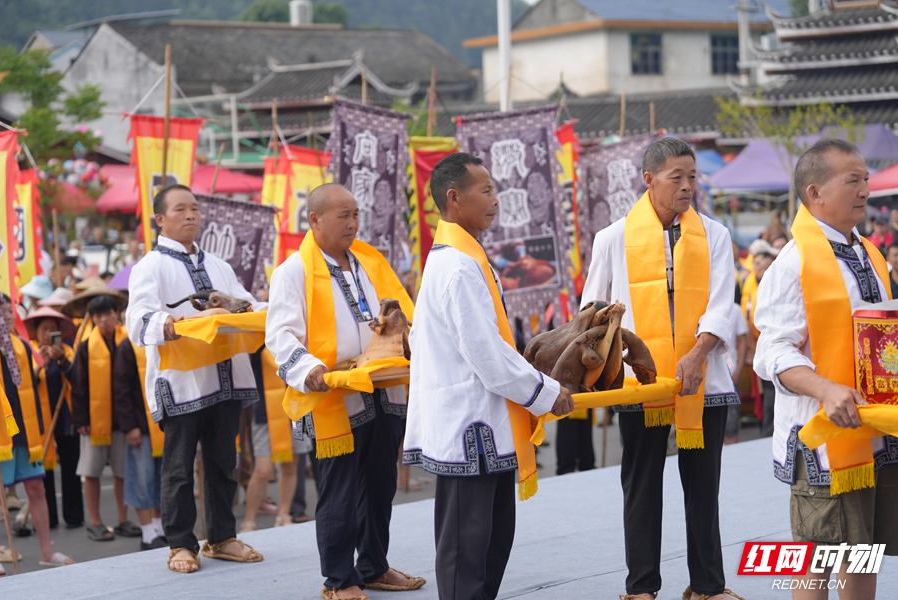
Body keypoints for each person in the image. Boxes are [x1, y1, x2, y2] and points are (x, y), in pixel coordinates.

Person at [403, 153, 574, 600]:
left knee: (492, 542)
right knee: (467, 549)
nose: (495, 200)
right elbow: (488, 356)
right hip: (470, 426)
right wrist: (547, 392)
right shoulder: (457, 266)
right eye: (487, 190)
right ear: (454, 198)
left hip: (485, 423)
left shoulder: (465, 257)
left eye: (495, 189)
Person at [580, 138, 741, 600]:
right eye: (678, 177)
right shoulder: (612, 238)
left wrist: (697, 352)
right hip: (638, 382)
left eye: (693, 176)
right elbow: (591, 310)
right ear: (649, 180)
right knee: (642, 484)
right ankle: (641, 588)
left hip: (701, 377)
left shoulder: (714, 234)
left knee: (703, 487)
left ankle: (708, 586)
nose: (689, 185)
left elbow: (722, 303)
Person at [754, 139, 898, 599]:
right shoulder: (793, 262)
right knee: (817, 557)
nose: (864, 190)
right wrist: (826, 388)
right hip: (824, 434)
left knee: (862, 551)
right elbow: (771, 352)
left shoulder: (870, 254)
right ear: (815, 193)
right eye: (852, 180)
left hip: (871, 430)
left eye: (865, 180)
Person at [266, 183, 424, 600]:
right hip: (334, 395)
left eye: (356, 215)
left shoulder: (370, 262)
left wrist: (398, 327)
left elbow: (403, 312)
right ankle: (339, 579)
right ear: (314, 220)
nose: (353, 223)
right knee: (338, 492)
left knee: (379, 485)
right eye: (343, 216)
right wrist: (311, 370)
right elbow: (280, 335)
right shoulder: (292, 271)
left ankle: (373, 566)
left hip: (383, 387)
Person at [126, 184, 263, 573]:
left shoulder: (220, 264)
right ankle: (181, 544)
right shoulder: (149, 267)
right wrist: (174, 324)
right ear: (160, 219)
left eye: (195, 209)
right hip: (181, 379)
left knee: (223, 462)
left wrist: (252, 308)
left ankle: (222, 537)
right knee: (179, 467)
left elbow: (243, 302)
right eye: (181, 209)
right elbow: (137, 319)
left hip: (226, 377)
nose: (191, 215)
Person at [0, 296, 74, 568]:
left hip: (27, 430)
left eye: (8, 310)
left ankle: (46, 552)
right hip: (0, 433)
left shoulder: (20, 345)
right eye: (0, 311)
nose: (5, 315)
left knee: (37, 488)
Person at [70, 293, 139, 542]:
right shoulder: (86, 346)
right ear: (93, 318)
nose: (103, 319)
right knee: (91, 471)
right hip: (94, 420)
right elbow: (78, 385)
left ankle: (123, 518)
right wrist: (80, 420)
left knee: (122, 471)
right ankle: (96, 521)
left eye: (107, 313)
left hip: (122, 419)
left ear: (115, 314)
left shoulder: (128, 341)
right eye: (98, 315)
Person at [241, 347, 311, 532]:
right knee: (263, 470)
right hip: (266, 412)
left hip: (297, 406)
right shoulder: (259, 341)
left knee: (290, 466)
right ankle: (249, 520)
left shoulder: (297, 334)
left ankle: (284, 514)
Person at [24, 306, 83, 529]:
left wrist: (61, 362)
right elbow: (27, 383)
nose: (48, 333)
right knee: (44, 471)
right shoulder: (29, 354)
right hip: (41, 421)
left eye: (52, 329)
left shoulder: (66, 351)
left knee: (71, 468)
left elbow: (77, 379)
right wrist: (43, 365)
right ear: (36, 333)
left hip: (66, 418)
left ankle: (74, 516)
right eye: (44, 329)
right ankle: (48, 519)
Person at [113, 335, 167, 550]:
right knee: (142, 475)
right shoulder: (127, 346)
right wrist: (129, 425)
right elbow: (121, 389)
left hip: (162, 423)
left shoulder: (162, 337)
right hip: (139, 424)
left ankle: (158, 526)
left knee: (163, 476)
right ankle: (146, 532)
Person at [741, 239, 779, 438]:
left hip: (776, 344)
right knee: (765, 392)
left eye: (764, 266)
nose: (759, 269)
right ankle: (766, 431)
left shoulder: (777, 286)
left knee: (775, 392)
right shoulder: (750, 288)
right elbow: (747, 317)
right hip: (758, 345)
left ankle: (773, 431)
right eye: (756, 265)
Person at [725, 285, 749, 445]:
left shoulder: (735, 310)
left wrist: (739, 369)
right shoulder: (699, 308)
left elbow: (743, 342)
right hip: (707, 376)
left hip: (731, 372)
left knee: (731, 422)